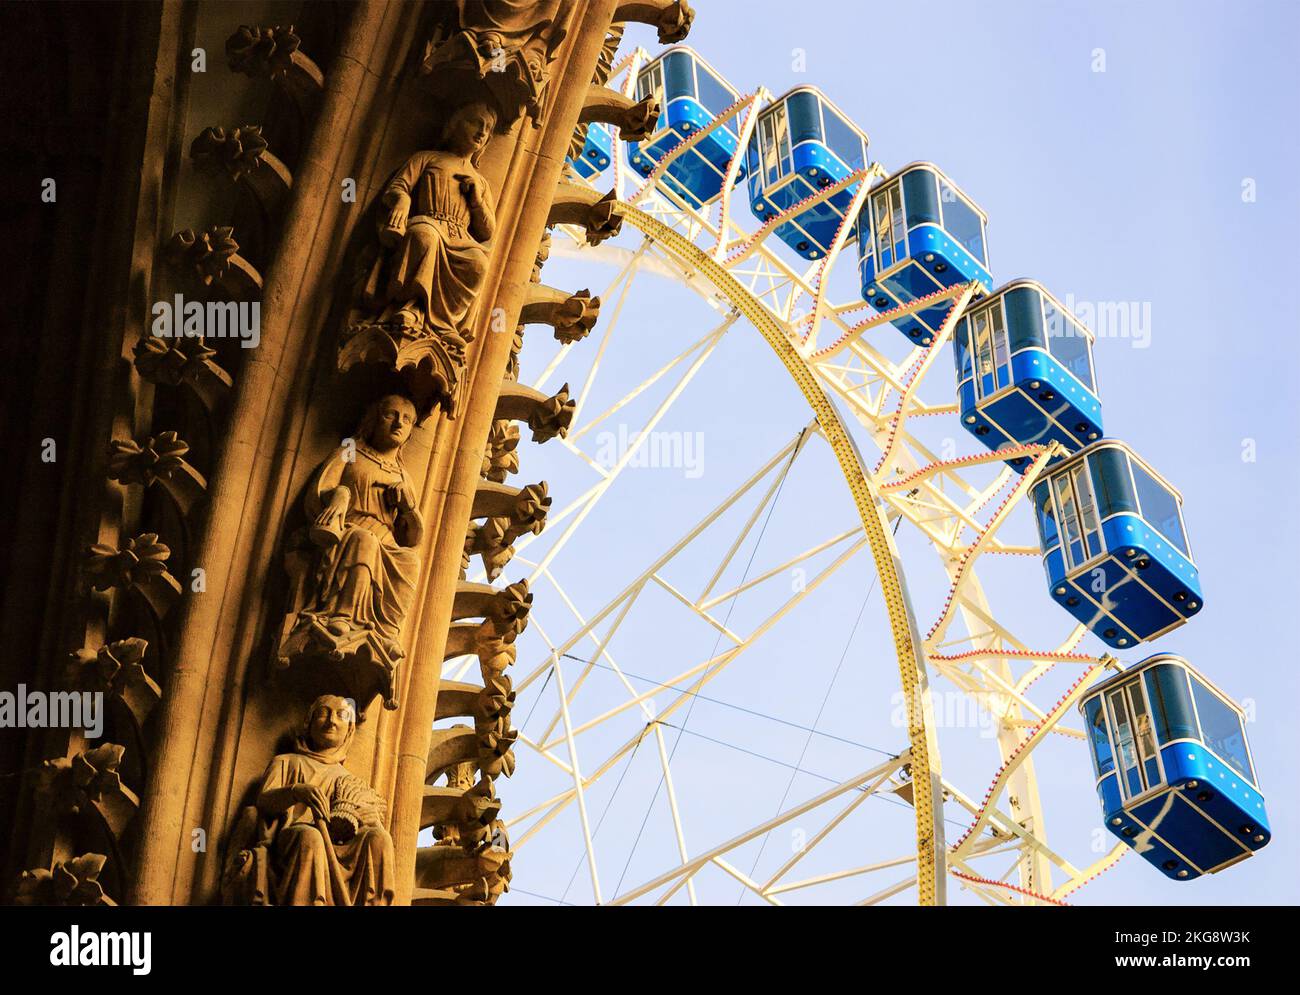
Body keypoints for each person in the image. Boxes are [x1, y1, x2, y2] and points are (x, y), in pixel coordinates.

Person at [225, 695, 395, 906]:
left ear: (350, 729)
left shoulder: (351, 781)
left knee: (380, 838)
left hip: (337, 847)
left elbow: (369, 826)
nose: (332, 720)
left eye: (341, 716)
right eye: (324, 713)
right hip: (292, 840)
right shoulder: (287, 762)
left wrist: (370, 820)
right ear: (309, 722)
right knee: (310, 836)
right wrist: (297, 792)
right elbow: (264, 802)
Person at [304, 394, 423, 658]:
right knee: (364, 541)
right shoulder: (351, 450)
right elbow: (323, 486)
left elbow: (413, 537)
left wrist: (407, 508)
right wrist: (341, 494)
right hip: (352, 527)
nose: (398, 425)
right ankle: (344, 612)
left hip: (387, 538)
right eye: (390, 415)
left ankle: (387, 631)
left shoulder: (402, 474)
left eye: (406, 420)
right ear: (374, 418)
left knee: (410, 562)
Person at [377, 100, 497, 337]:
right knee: (424, 238)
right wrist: (403, 201)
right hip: (429, 221)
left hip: (460, 236)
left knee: (478, 264)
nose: (482, 132)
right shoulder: (427, 158)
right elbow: (398, 187)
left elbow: (487, 231)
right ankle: (412, 308)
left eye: (488, 129)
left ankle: (444, 323)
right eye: (476, 123)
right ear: (454, 125)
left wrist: (477, 201)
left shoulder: (481, 182)